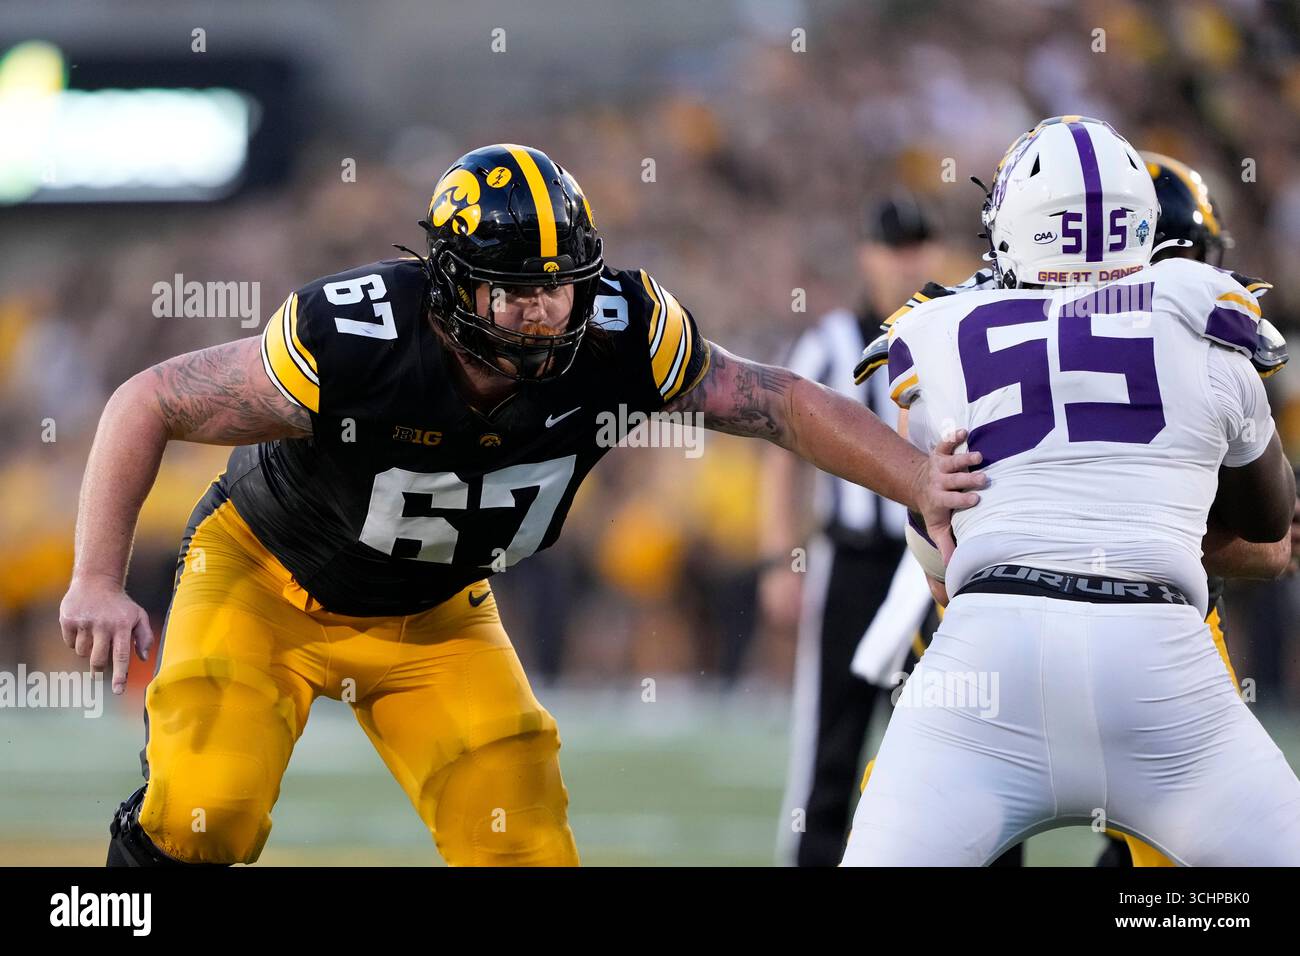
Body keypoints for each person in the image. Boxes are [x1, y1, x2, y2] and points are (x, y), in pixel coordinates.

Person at [58, 143, 984, 866]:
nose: (548, 310)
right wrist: (98, 576)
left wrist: (917, 479)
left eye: (561, 285)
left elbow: (777, 403)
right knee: (204, 814)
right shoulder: (356, 334)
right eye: (519, 292)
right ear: (455, 282)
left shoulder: (623, 332)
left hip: (436, 611)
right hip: (269, 579)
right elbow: (152, 398)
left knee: (521, 841)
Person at [841, 117, 1300, 866]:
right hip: (1161, 664)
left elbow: (933, 539)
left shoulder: (941, 328)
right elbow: (1271, 523)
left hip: (989, 654)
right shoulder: (1204, 311)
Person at [764, 194, 939, 867]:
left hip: (934, 569)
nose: (907, 261)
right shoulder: (831, 340)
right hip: (855, 565)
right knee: (831, 739)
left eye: (918, 245)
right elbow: (779, 457)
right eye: (895, 247)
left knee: (953, 743)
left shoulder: (951, 330)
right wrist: (780, 558)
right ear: (867, 254)